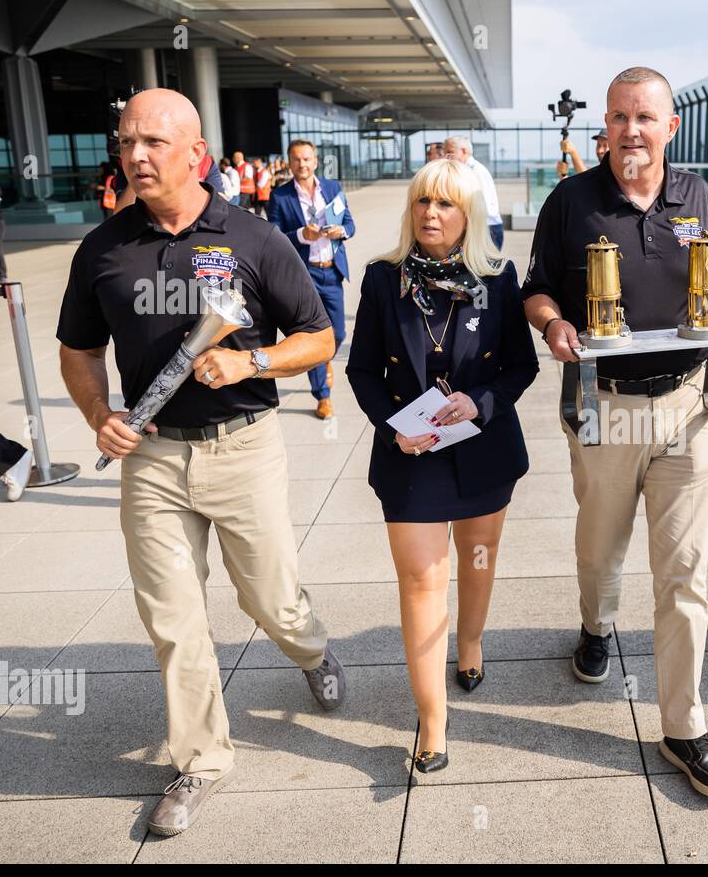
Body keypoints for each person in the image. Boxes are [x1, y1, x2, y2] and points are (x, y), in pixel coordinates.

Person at [56, 88, 344, 837]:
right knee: (173, 619)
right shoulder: (104, 247)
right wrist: (99, 416)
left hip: (242, 450)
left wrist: (251, 365)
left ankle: (309, 649)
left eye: (152, 142)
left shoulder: (252, 237)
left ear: (196, 156)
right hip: (150, 460)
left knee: (271, 601)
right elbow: (78, 352)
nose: (135, 156)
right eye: (126, 142)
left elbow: (318, 338)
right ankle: (203, 760)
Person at [523, 66, 708, 799]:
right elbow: (534, 288)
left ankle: (684, 726)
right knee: (601, 546)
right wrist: (555, 321)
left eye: (645, 118)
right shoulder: (571, 200)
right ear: (605, 126)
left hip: (688, 407)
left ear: (670, 127)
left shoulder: (697, 195)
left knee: (685, 573)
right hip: (605, 405)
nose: (631, 130)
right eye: (620, 117)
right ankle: (597, 624)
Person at [346, 158, 538, 773]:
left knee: (477, 561)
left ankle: (472, 643)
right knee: (421, 582)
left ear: (468, 214)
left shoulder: (498, 277)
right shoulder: (383, 279)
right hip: (413, 457)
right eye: (424, 201)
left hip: (482, 449)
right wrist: (392, 426)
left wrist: (478, 403)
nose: (432, 213)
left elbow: (521, 366)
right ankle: (432, 720)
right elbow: (361, 370)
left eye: (446, 204)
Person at [268, 139, 356, 419]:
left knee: (338, 333)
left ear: (315, 161)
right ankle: (323, 395)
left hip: (331, 271)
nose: (302, 164)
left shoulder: (333, 188)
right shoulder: (280, 196)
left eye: (307, 159)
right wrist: (302, 235)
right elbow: (273, 237)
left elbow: (351, 225)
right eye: (296, 159)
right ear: (289, 163)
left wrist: (340, 231)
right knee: (314, 335)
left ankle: (323, 359)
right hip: (303, 276)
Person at [444, 135, 504, 249]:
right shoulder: (466, 170)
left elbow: (482, 205)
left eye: (450, 152)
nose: (446, 157)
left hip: (487, 229)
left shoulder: (476, 172)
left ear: (464, 151)